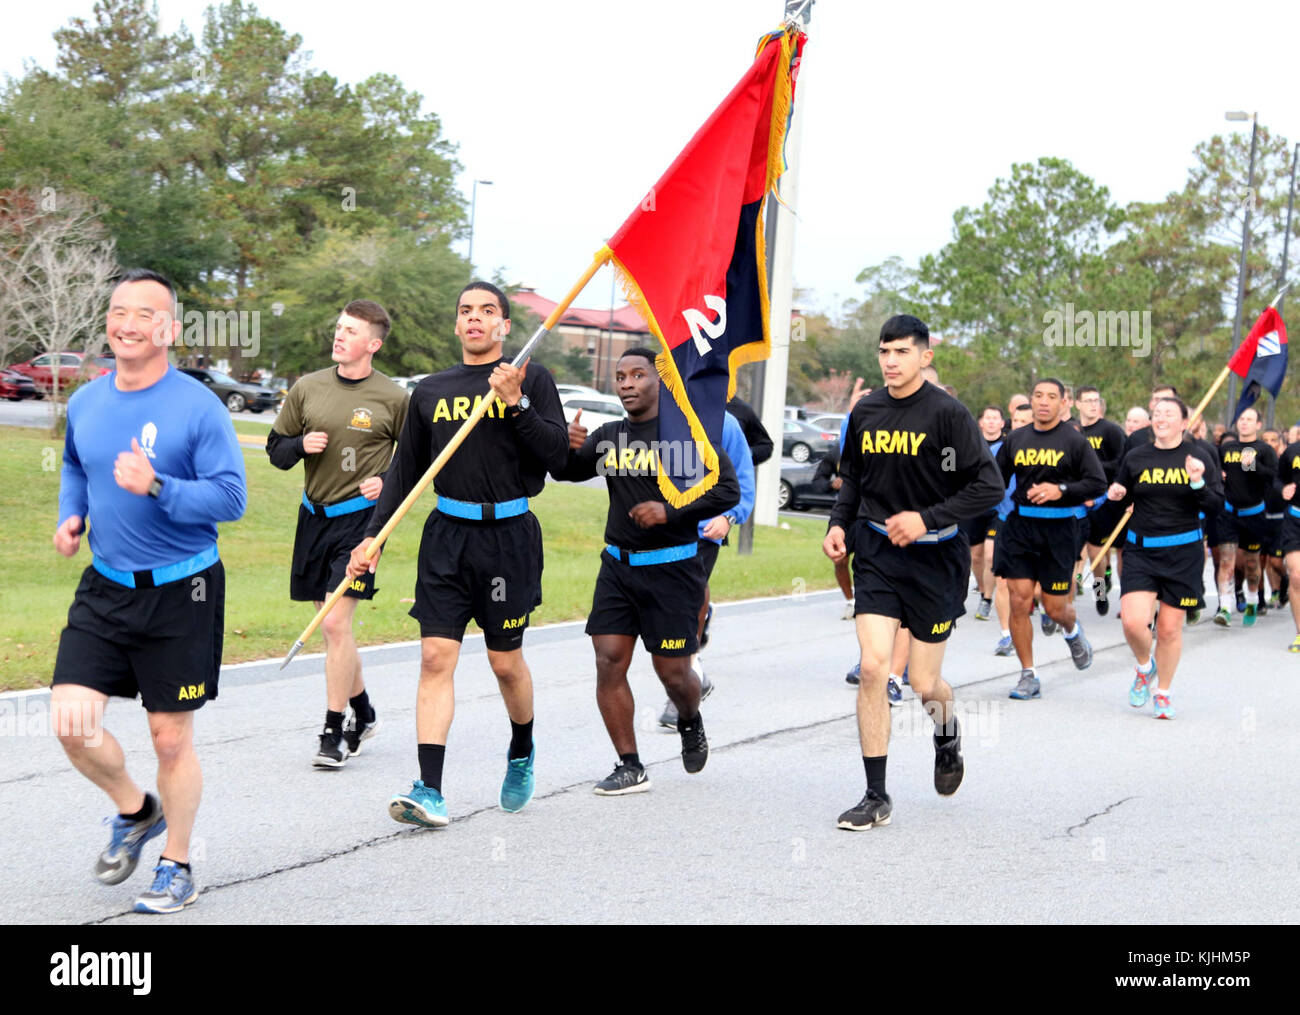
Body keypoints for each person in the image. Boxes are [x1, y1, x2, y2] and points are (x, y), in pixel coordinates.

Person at [51, 268, 247, 914]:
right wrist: (71, 514)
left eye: (143, 313)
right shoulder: (87, 400)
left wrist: (158, 486)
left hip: (182, 588)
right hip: (105, 587)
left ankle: (177, 864)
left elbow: (231, 498)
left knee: (169, 736)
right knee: (71, 723)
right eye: (117, 311)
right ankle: (136, 810)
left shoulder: (198, 406)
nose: (127, 323)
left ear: (169, 329)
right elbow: (77, 465)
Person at [348, 281, 568, 827]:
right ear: (456, 324)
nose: (475, 319)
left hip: (510, 537)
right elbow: (405, 474)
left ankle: (521, 750)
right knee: (434, 658)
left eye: (487, 311)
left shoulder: (531, 378)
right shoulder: (429, 391)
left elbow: (559, 457)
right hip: (447, 537)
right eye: (466, 311)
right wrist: (374, 537)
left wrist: (515, 403)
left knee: (504, 663)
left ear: (506, 326)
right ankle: (430, 789)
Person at [823, 315, 1003, 830]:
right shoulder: (866, 411)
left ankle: (946, 734)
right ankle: (875, 794)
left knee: (925, 682)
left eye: (902, 352)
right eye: (884, 352)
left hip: (936, 558)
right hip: (878, 553)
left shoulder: (949, 415)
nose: (891, 361)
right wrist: (839, 525)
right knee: (876, 668)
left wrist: (927, 518)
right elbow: (853, 478)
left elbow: (987, 488)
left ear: (925, 356)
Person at [561, 348, 740, 793]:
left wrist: (671, 510)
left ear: (659, 381)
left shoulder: (687, 436)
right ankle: (630, 764)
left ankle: (689, 718)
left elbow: (727, 491)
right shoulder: (608, 436)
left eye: (637, 375)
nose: (626, 383)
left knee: (673, 674)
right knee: (608, 660)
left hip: (673, 571)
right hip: (618, 568)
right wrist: (568, 444)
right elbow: (566, 473)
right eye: (620, 375)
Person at [267, 299, 408, 767]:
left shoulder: (393, 398)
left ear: (374, 344)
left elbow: (417, 463)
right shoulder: (307, 388)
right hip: (314, 517)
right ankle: (364, 713)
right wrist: (298, 444)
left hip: (362, 524)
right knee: (335, 633)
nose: (340, 335)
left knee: (332, 623)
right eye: (339, 327)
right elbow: (276, 450)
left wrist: (386, 480)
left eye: (351, 331)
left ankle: (333, 732)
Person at [1107, 396, 1222, 718]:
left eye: (1169, 414)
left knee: (1170, 629)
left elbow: (1214, 507)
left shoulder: (1199, 457)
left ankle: (1163, 691)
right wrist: (1115, 495)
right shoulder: (1135, 457)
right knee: (1132, 622)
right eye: (1157, 413)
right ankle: (1145, 666)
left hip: (1184, 552)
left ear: (1184, 423)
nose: (1161, 418)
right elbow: (1120, 497)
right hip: (1141, 549)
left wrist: (1197, 481)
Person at [994, 378, 1107, 699]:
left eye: (1052, 397)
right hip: (1019, 528)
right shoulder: (1015, 438)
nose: (1044, 402)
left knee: (1055, 608)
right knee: (1019, 600)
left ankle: (1072, 631)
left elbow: (1097, 484)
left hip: (1060, 530)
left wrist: (1062, 490)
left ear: (1063, 404)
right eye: (1038, 396)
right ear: (1030, 401)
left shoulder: (1075, 442)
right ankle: (1028, 674)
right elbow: (995, 480)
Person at [656, 407, 755, 729]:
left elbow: (744, 480)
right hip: (659, 530)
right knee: (663, 608)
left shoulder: (724, 424)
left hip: (703, 531)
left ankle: (686, 679)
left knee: (683, 603)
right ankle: (696, 664)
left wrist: (729, 517)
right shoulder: (657, 418)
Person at [1211, 407, 1277, 627]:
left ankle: (1251, 601)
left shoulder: (1264, 449)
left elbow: (1273, 478)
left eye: (1250, 419)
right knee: (1226, 561)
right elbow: (1216, 473)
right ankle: (1225, 608)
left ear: (1258, 425)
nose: (1244, 423)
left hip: (1254, 514)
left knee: (1251, 563)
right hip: (1229, 513)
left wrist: (1253, 465)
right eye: (1241, 419)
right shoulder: (1226, 448)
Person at [1076, 385, 1126, 615]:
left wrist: (1093, 466)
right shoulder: (1073, 431)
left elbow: (1121, 463)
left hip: (1105, 499)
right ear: (1077, 404)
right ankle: (1095, 593)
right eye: (1087, 400)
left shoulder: (1111, 431)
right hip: (1077, 499)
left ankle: (1107, 593)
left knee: (1100, 553)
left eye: (1096, 400)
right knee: (1083, 554)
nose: (1093, 404)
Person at [963, 405, 1005, 622]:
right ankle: (982, 589)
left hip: (999, 508)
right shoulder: (969, 443)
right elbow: (950, 466)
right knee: (976, 556)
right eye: (987, 417)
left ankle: (987, 599)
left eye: (995, 417)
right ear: (980, 423)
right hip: (975, 507)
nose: (990, 421)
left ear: (1002, 423)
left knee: (990, 554)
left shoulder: (1007, 445)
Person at [725, 394, 774, 466]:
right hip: (704, 472)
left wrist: (744, 454)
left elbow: (765, 446)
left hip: (730, 473)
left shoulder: (741, 409)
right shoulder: (703, 405)